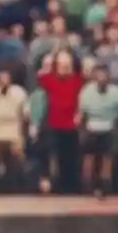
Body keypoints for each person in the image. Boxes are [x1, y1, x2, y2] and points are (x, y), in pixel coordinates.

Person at [77, 64, 118, 198]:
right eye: (98, 76)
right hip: (92, 126)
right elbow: (82, 112)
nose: (101, 79)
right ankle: (87, 185)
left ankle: (106, 184)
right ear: (94, 77)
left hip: (110, 126)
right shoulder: (86, 91)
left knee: (108, 156)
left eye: (104, 76)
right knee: (89, 156)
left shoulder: (117, 92)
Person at [38, 51, 84, 194]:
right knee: (55, 157)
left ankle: (72, 186)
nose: (64, 67)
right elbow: (41, 76)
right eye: (61, 64)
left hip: (72, 126)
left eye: (67, 64)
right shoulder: (49, 79)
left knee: (71, 158)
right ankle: (55, 185)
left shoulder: (78, 80)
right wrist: (51, 61)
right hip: (54, 125)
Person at [0, 69, 29, 191]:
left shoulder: (19, 93)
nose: (4, 81)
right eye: (1, 78)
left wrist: (21, 135)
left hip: (14, 127)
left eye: (6, 78)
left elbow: (24, 115)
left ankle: (18, 186)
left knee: (17, 155)